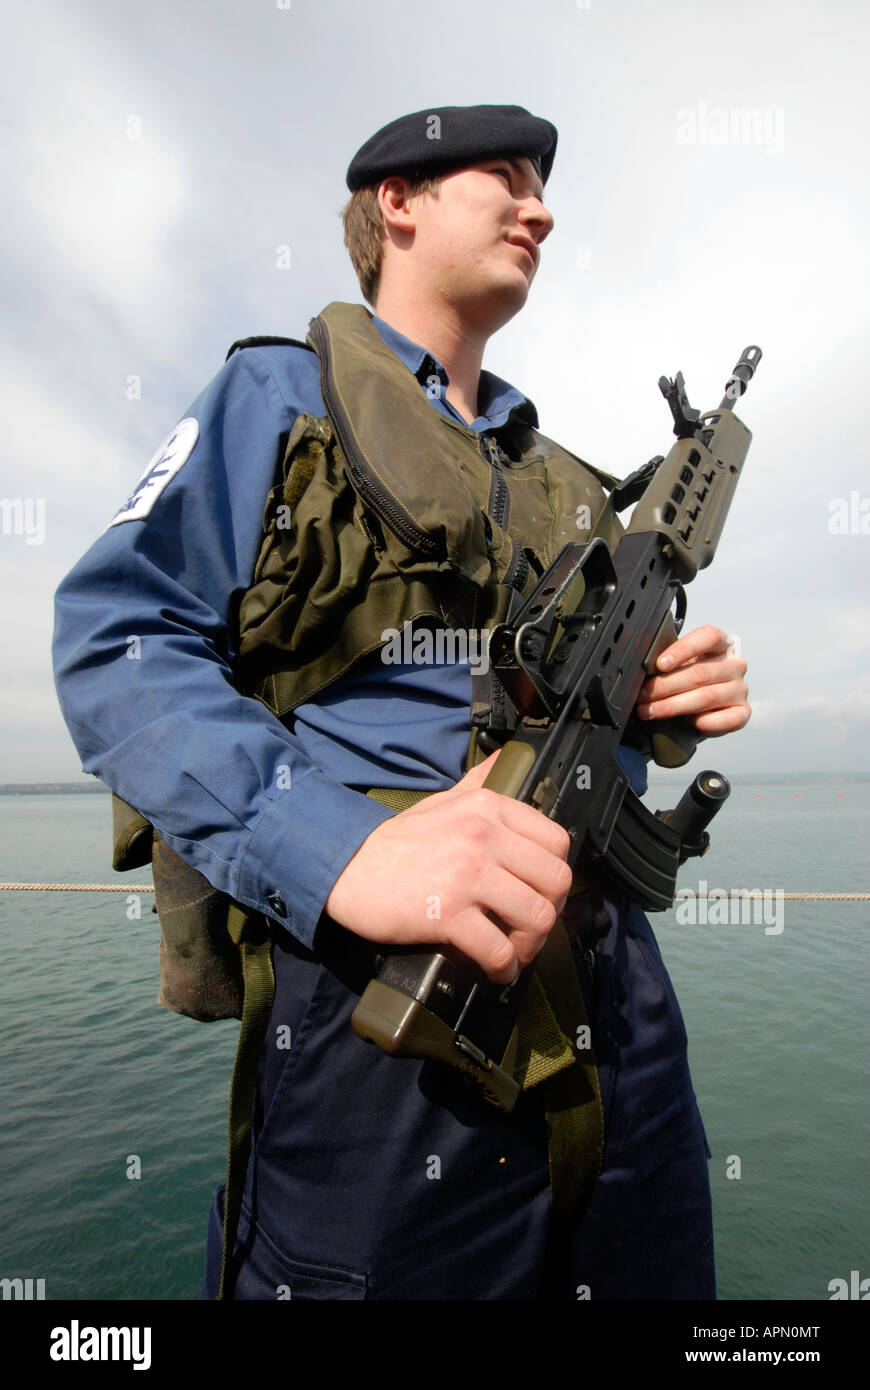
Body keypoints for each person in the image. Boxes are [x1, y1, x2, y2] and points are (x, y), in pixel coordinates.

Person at [53, 104, 750, 1300]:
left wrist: (657, 708)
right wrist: (345, 850)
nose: (541, 207)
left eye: (544, 186)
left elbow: (590, 751)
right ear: (399, 202)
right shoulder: (282, 398)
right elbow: (117, 639)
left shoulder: (567, 483)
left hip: (618, 1007)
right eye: (507, 176)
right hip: (384, 1010)